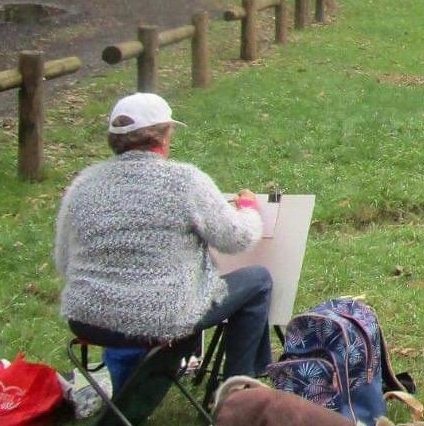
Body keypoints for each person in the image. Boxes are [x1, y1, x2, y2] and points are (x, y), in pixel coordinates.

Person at [54, 92, 274, 380]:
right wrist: (248, 209)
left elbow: (64, 261)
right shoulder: (184, 181)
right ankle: (237, 389)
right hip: (161, 317)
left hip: (87, 319)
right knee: (258, 280)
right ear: (164, 135)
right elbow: (237, 238)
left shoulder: (82, 185)